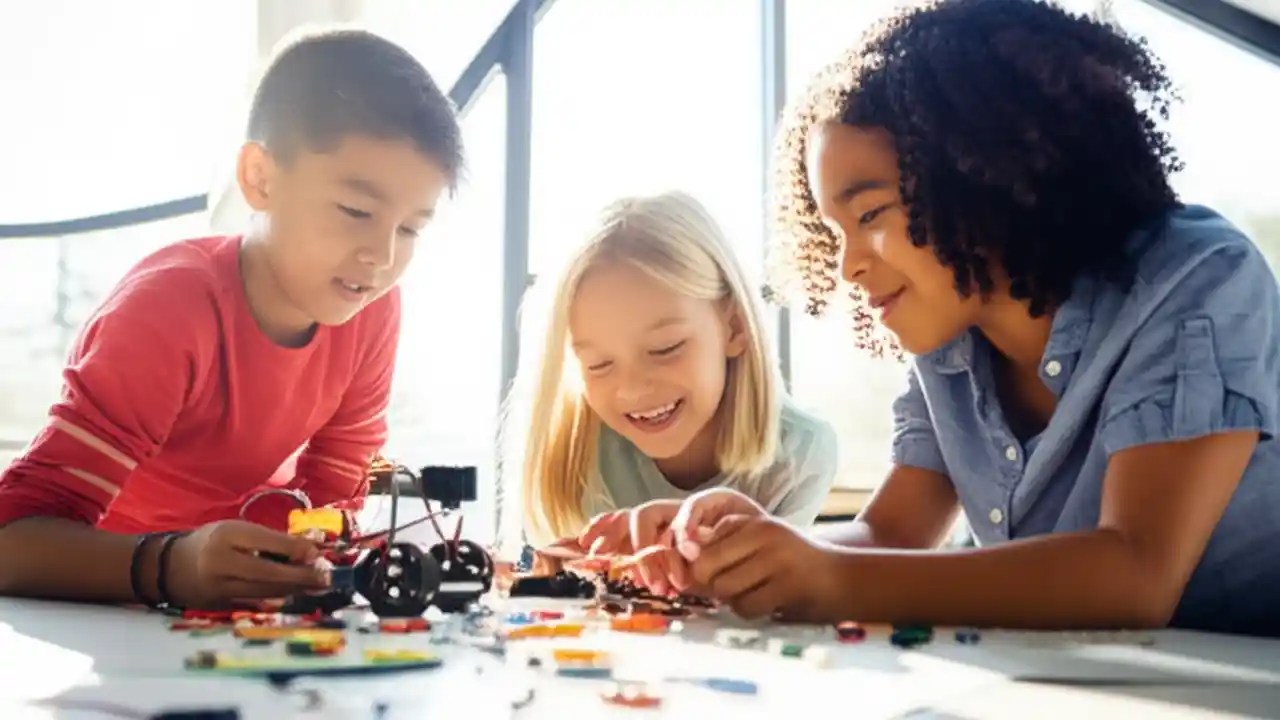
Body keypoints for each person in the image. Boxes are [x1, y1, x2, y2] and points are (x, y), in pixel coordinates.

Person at [661, 0, 1280, 636]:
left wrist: (832, 576)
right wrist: (746, 551)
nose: (847, 268)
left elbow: (1135, 573)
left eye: (869, 216)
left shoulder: (1195, 279)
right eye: (832, 231)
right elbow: (889, 535)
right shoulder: (949, 348)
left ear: (979, 176)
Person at [0, 28, 463, 611]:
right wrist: (174, 565)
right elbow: (12, 542)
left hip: (229, 616)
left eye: (410, 228)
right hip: (105, 602)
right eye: (356, 211)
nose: (383, 256)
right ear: (260, 179)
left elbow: (335, 491)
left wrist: (314, 558)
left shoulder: (369, 310)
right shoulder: (170, 310)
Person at [500, 191, 837, 593]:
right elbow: (528, 564)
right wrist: (540, 566)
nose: (631, 390)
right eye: (599, 365)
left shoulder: (800, 454)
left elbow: (772, 593)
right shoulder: (574, 448)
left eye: (665, 349)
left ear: (734, 328)